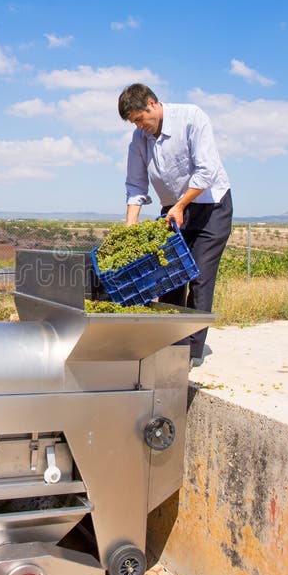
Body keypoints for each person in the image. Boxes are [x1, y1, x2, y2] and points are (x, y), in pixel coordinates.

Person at [117, 83, 232, 366]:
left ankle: (190, 354)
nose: (139, 126)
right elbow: (136, 184)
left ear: (152, 104)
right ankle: (170, 344)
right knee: (169, 277)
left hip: (209, 207)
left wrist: (181, 205)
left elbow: (207, 171)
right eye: (133, 122)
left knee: (200, 277)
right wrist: (131, 226)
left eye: (140, 119)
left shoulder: (192, 118)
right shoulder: (139, 139)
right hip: (173, 210)